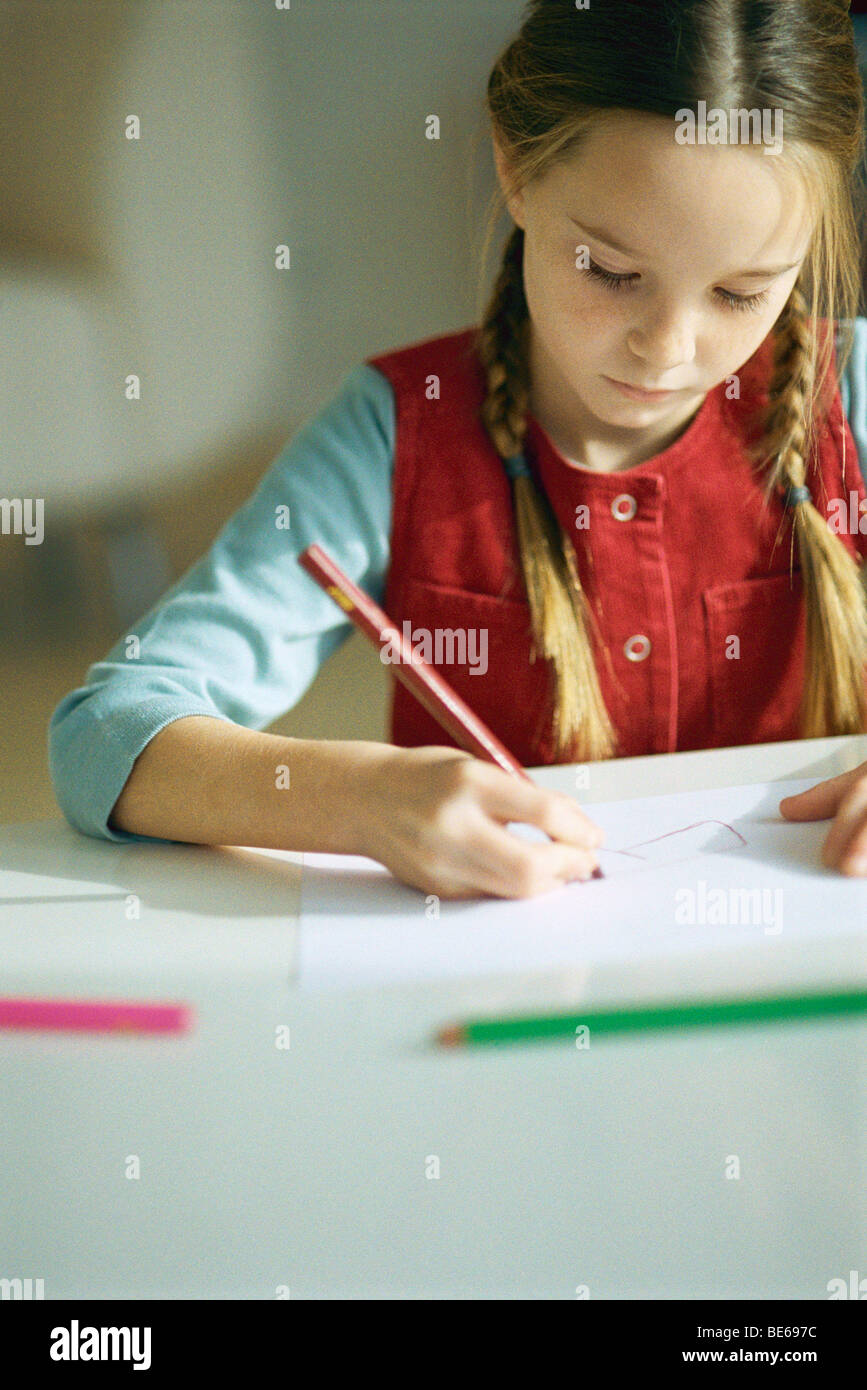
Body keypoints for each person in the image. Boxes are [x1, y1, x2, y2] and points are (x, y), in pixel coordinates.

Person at [49, 0, 867, 897]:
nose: (666, 350)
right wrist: (355, 798)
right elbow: (103, 733)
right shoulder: (395, 433)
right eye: (611, 271)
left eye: (741, 292)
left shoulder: (854, 394)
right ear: (513, 167)